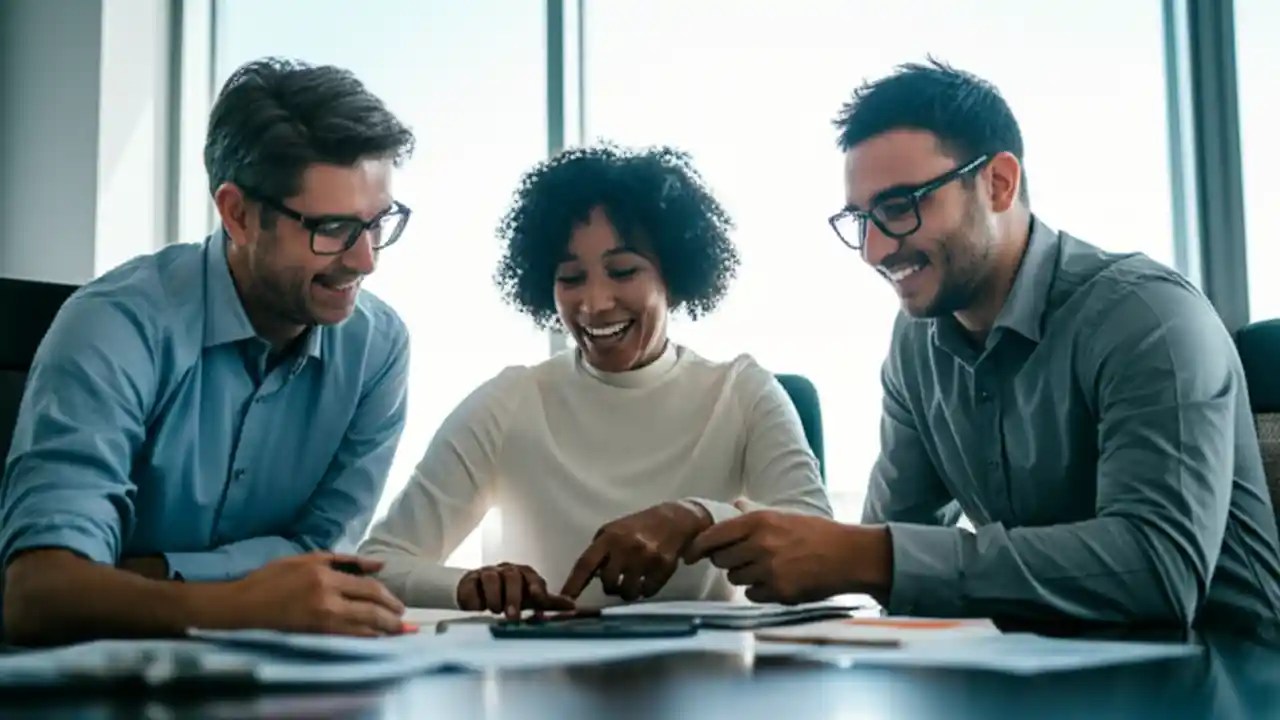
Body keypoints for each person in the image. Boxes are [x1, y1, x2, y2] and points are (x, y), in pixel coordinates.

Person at [686, 60, 1280, 627]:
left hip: (1218, 665)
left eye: (900, 207)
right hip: (1033, 664)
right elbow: (896, 538)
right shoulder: (916, 343)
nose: (874, 249)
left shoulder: (1146, 317)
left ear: (998, 183)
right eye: (861, 219)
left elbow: (1159, 568)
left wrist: (871, 556)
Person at [0, 57, 416, 645]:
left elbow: (320, 560)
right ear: (238, 215)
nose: (365, 260)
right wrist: (239, 604)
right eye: (332, 229)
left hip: (278, 679)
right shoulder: (115, 326)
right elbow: (38, 594)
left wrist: (151, 573)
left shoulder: (378, 349)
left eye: (377, 223)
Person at [359, 144, 832, 617]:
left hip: (704, 662)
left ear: (673, 275)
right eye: (570, 278)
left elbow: (822, 548)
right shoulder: (510, 402)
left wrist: (698, 517)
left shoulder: (741, 393)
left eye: (623, 271)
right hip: (548, 661)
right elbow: (379, 564)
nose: (594, 303)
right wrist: (469, 587)